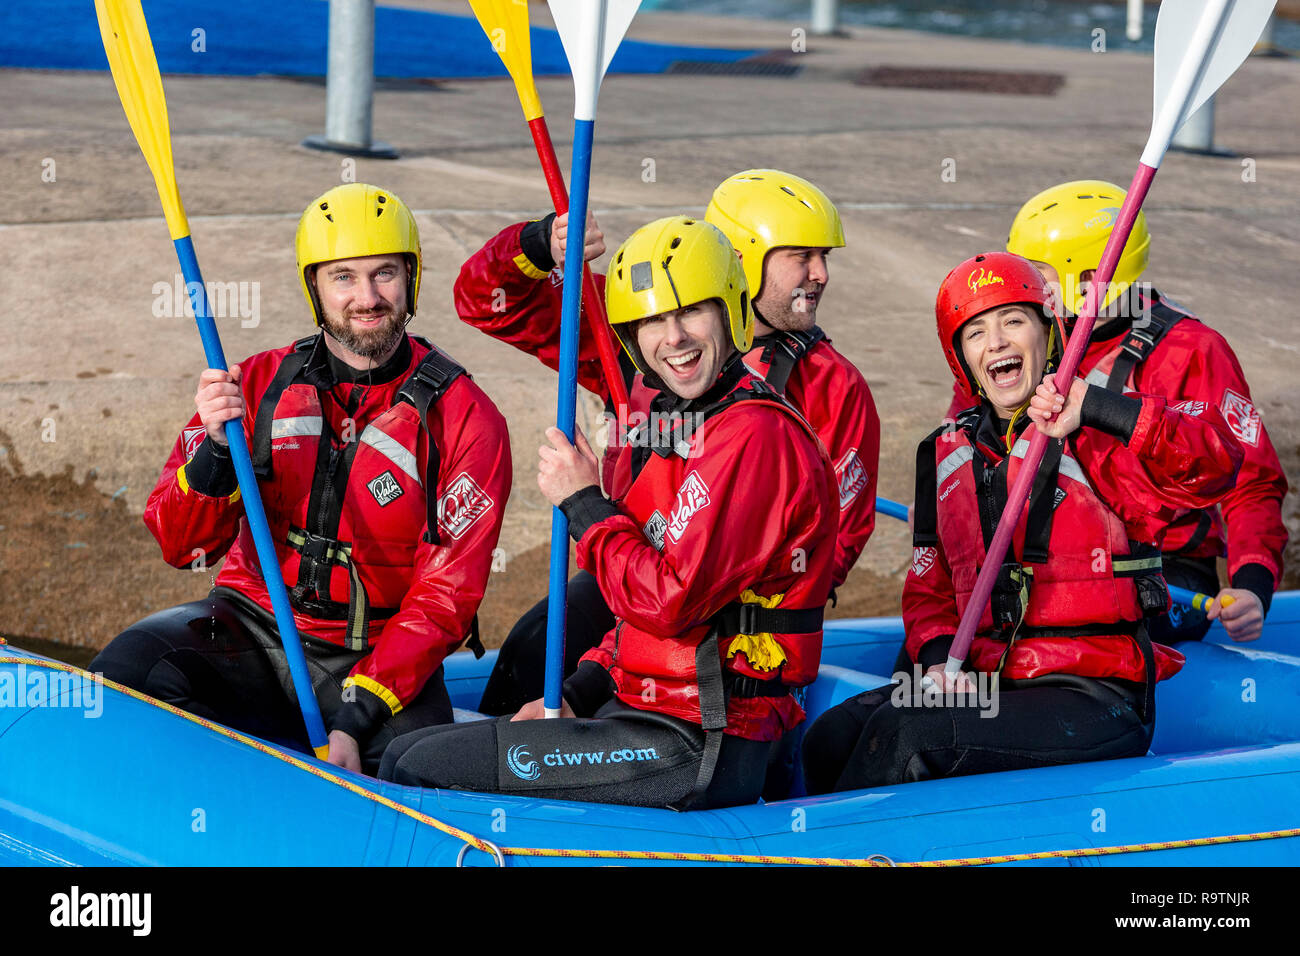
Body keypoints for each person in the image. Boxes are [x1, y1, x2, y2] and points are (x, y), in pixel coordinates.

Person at [379, 216, 838, 809]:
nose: (672, 337)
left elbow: (667, 603)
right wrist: (576, 692)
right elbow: (636, 626)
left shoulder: (755, 436)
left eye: (691, 312)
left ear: (730, 310)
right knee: (409, 751)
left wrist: (584, 502)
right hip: (648, 709)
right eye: (651, 320)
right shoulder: (678, 417)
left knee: (417, 767)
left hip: (706, 737)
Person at [91, 183, 512, 775]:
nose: (366, 298)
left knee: (421, 769)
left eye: (384, 274)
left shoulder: (468, 418)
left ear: (411, 279)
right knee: (126, 676)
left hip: (379, 657)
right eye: (343, 277)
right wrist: (215, 451)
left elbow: (445, 598)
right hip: (255, 625)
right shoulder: (254, 388)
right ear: (313, 286)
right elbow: (179, 543)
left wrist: (356, 716)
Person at [802, 252, 1243, 794]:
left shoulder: (1096, 435)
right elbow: (929, 591)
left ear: (1048, 333)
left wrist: (1103, 409)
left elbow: (1216, 464)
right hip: (994, 682)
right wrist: (941, 661)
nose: (998, 342)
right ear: (962, 358)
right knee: (829, 736)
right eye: (977, 332)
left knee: (907, 736)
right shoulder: (946, 453)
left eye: (1014, 321)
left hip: (1092, 693)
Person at [457, 169, 879, 716]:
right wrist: (542, 244)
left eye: (824, 256)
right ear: (743, 256)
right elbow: (485, 301)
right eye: (800, 255)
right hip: (623, 573)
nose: (820, 274)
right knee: (538, 643)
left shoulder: (834, 386)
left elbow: (832, 546)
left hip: (717, 618)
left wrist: (718, 583)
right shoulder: (643, 321)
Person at [946, 180, 1287, 643]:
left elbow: (1251, 480)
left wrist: (1253, 584)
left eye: (1036, 273)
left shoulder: (1193, 350)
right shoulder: (1022, 340)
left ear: (1087, 280)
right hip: (1042, 557)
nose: (1020, 286)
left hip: (1163, 575)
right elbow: (965, 439)